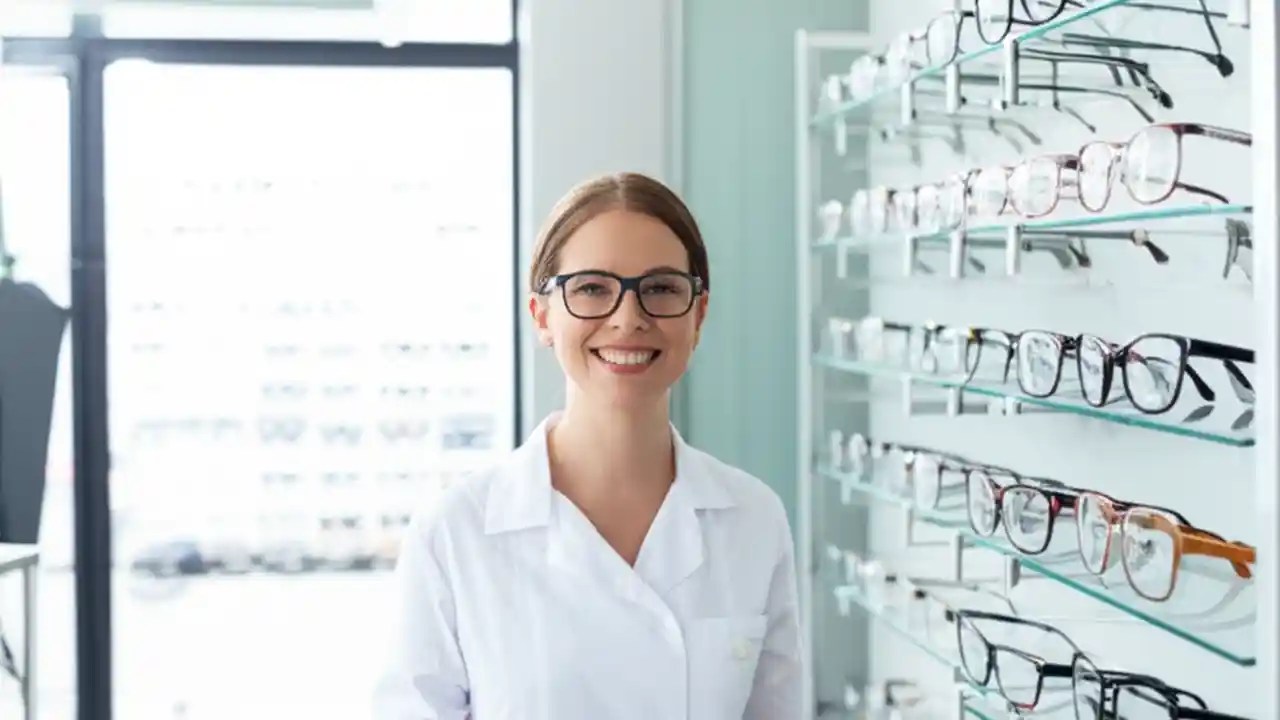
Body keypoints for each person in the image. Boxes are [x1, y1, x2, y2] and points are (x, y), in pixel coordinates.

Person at [373, 172, 804, 719]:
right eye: (592, 289)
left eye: (662, 288)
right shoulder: (456, 532)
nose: (628, 318)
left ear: (698, 315)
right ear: (542, 316)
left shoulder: (753, 519)